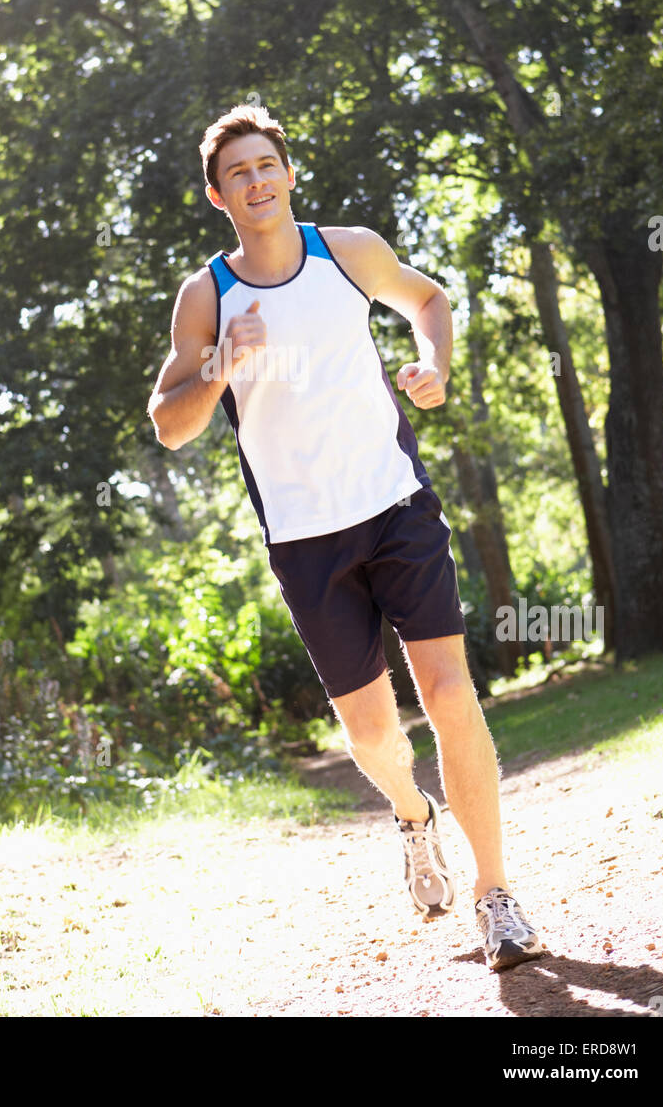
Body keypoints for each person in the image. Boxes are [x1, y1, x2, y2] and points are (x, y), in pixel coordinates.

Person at [147, 104, 543, 972]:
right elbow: (170, 425)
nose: (256, 182)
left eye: (267, 166)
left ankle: (497, 895)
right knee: (370, 738)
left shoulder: (348, 251)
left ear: (288, 174)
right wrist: (221, 363)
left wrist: (433, 363)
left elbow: (428, 298)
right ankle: (411, 814)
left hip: (395, 504)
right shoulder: (207, 296)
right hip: (304, 540)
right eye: (238, 174)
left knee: (448, 694)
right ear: (218, 195)